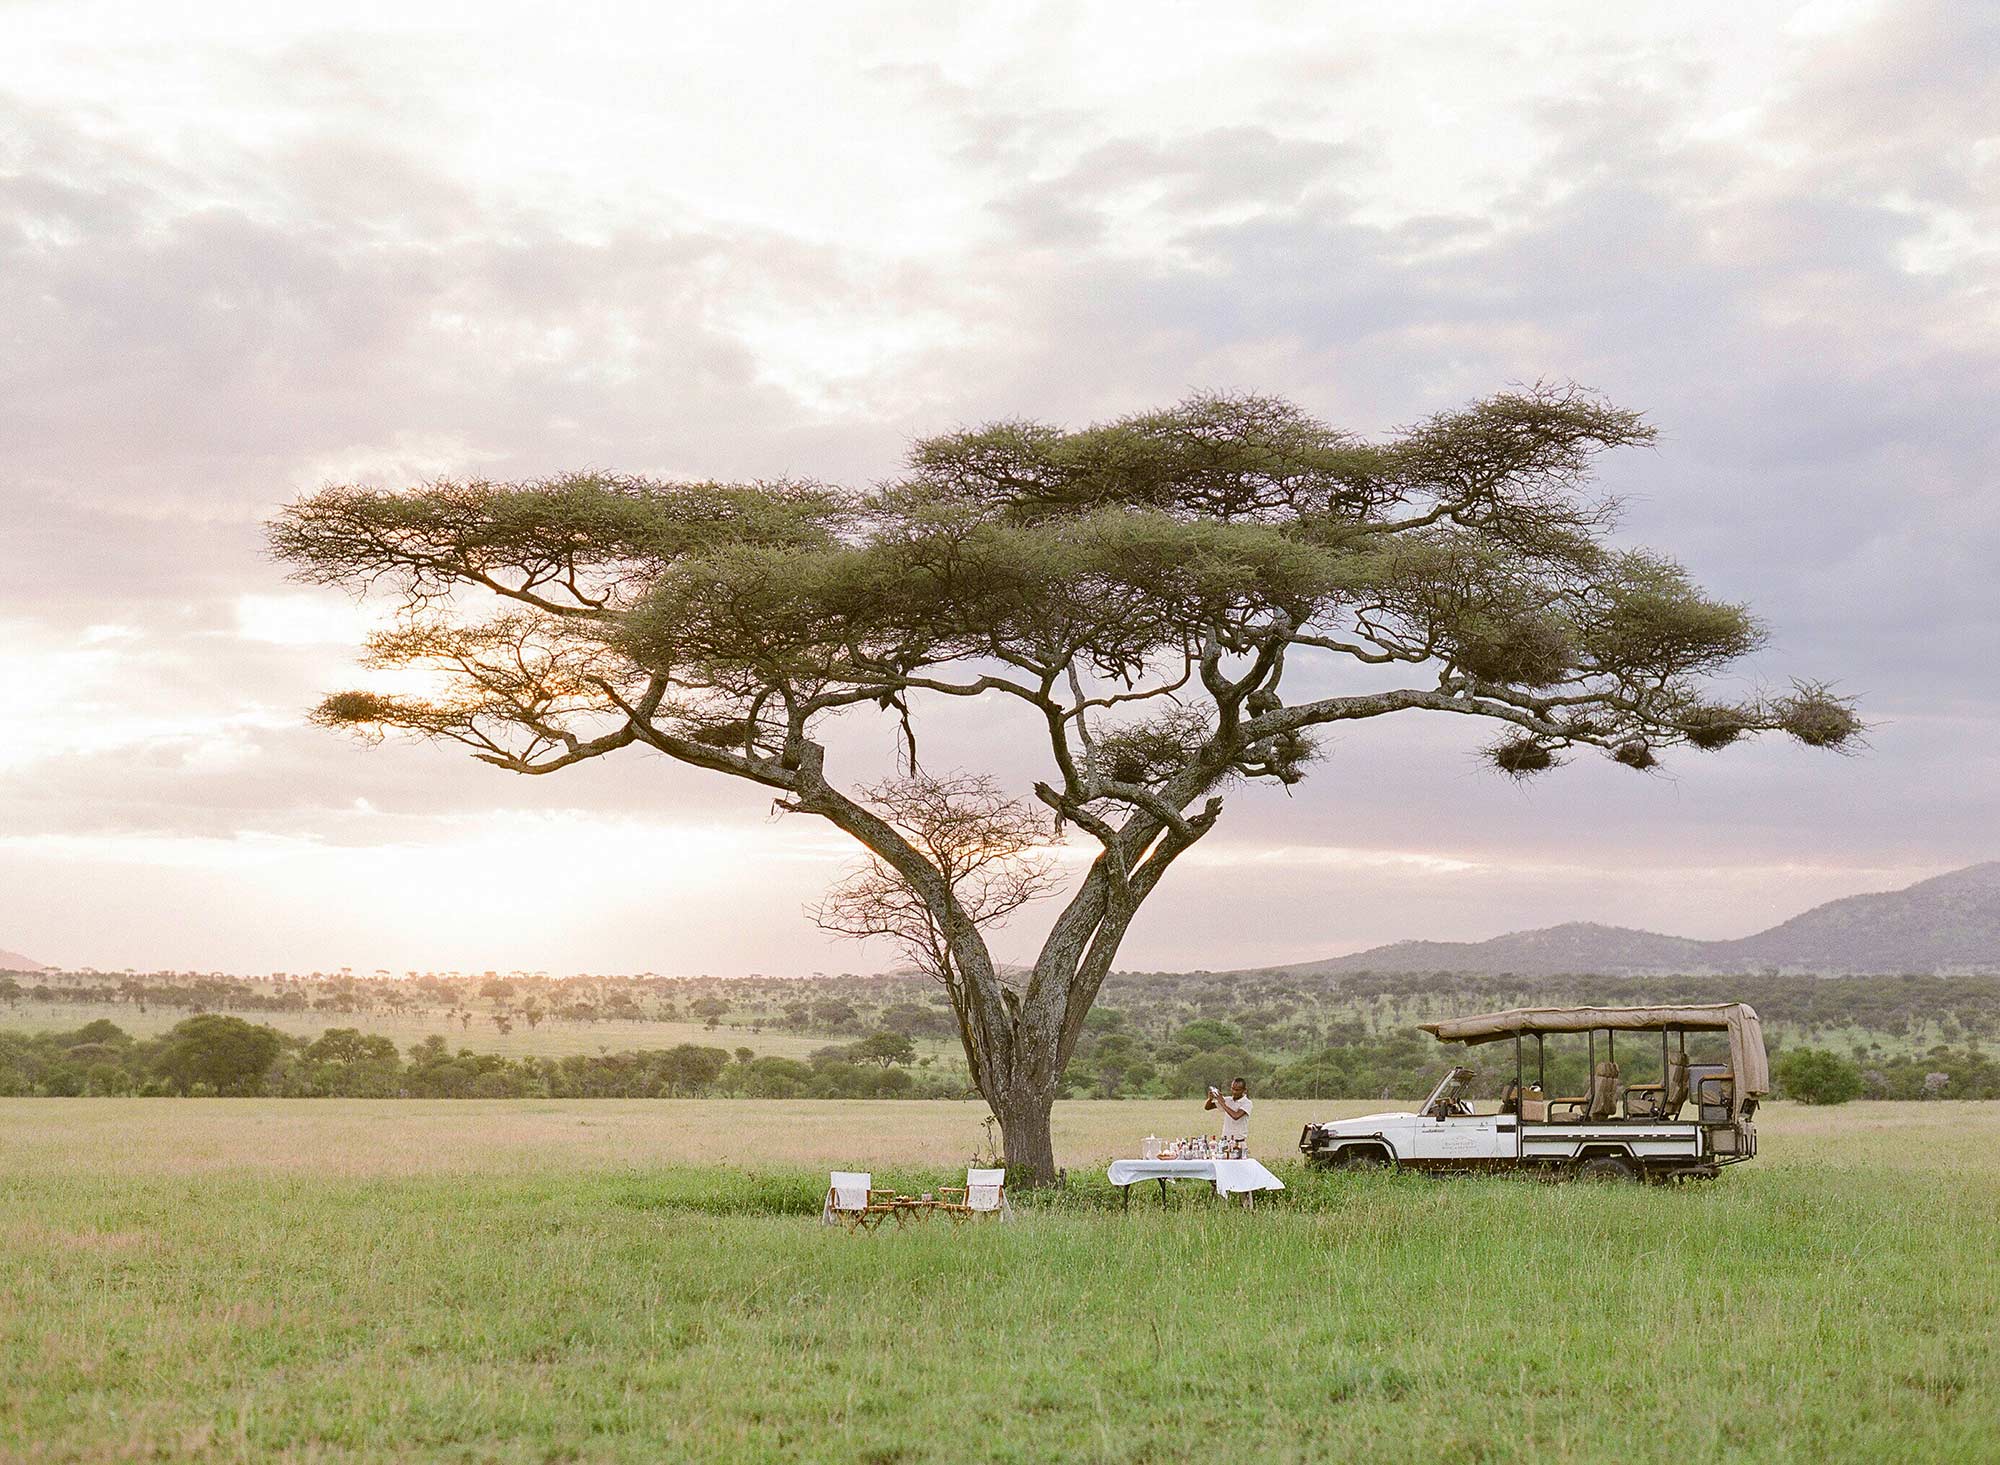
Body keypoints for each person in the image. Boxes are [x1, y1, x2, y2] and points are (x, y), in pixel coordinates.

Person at [1204, 1076, 1253, 1151]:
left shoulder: (1247, 1103)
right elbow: (1208, 1107)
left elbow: (1236, 1116)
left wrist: (1222, 1103)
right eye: (1232, 1088)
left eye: (1237, 1090)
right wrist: (1210, 1099)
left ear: (1244, 1090)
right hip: (1225, 1142)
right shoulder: (1228, 1100)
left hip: (1238, 1143)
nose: (1234, 1092)